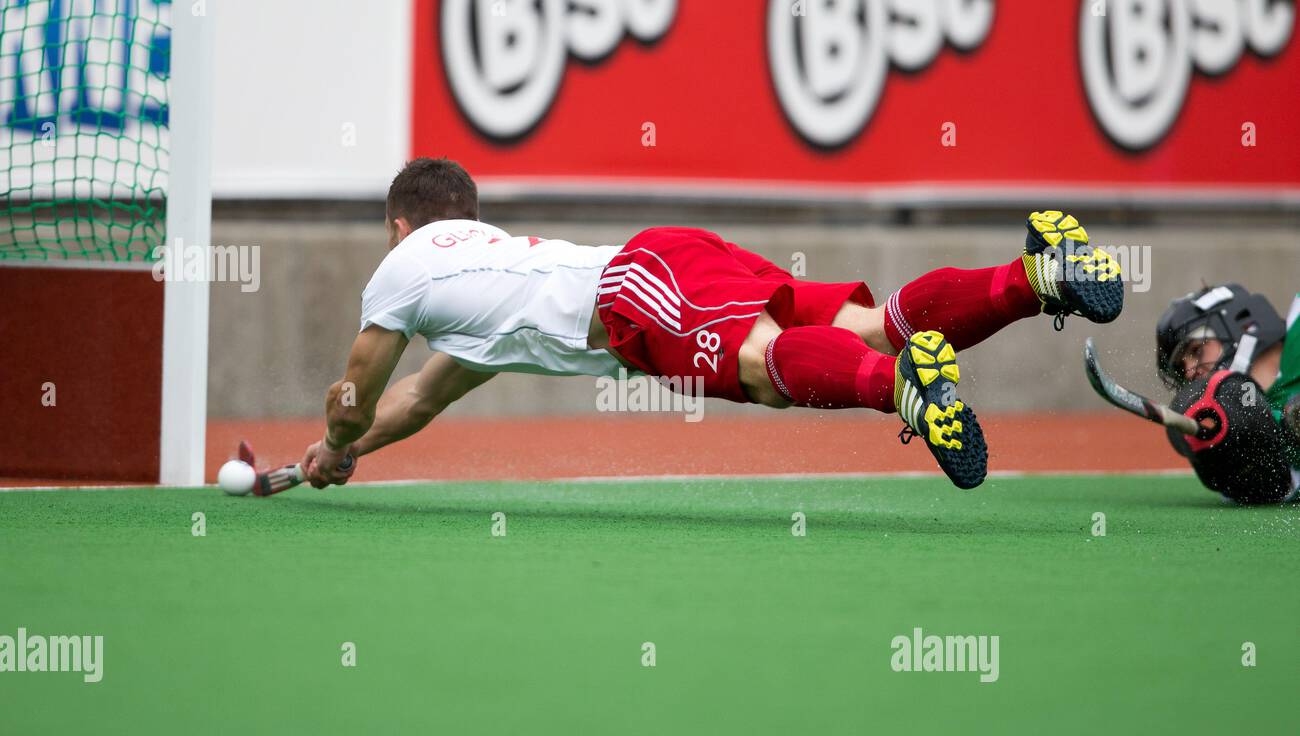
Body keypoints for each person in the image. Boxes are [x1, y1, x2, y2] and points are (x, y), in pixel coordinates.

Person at [302, 158, 1125, 491]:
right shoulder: (485, 287)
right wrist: (350, 455)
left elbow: (360, 392)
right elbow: (417, 398)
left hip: (634, 294)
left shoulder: (403, 267)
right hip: (668, 260)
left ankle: (906, 394)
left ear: (400, 230)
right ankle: (1035, 278)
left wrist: (336, 440)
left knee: (768, 370)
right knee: (869, 326)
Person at [1156, 284, 1300, 503]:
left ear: (1242, 323)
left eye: (1196, 350)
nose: (1189, 372)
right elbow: (1276, 490)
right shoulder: (1247, 430)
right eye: (1180, 370)